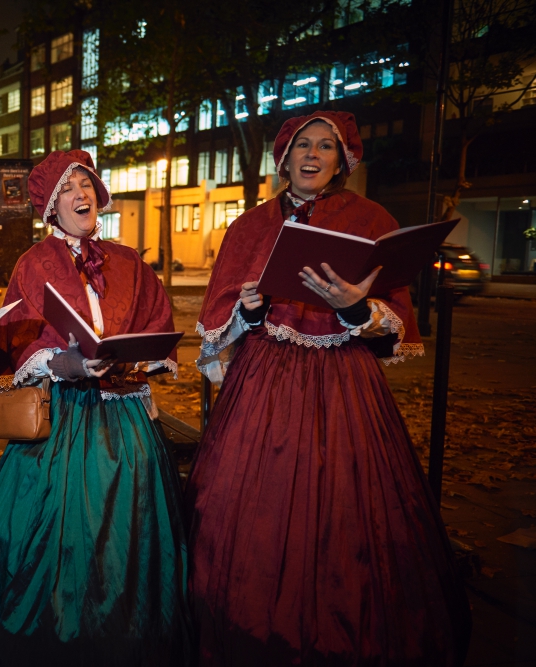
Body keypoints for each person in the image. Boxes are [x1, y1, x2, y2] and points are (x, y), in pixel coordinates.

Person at [186, 111, 471, 665]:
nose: (312, 155)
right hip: (263, 382)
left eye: (325, 146)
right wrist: (249, 311)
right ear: (285, 156)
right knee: (246, 511)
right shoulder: (250, 225)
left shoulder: (370, 218)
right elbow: (218, 324)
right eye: (302, 145)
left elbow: (394, 320)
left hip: (344, 383)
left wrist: (355, 308)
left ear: (344, 160)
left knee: (349, 512)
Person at [0, 149, 192, 667]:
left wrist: (137, 361)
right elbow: (18, 343)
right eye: (68, 188)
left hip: (124, 422)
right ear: (50, 206)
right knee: (54, 539)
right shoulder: (34, 263)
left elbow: (157, 328)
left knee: (129, 536)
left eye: (86, 183)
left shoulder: (127, 261)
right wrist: (69, 363)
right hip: (63, 421)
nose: (81, 193)